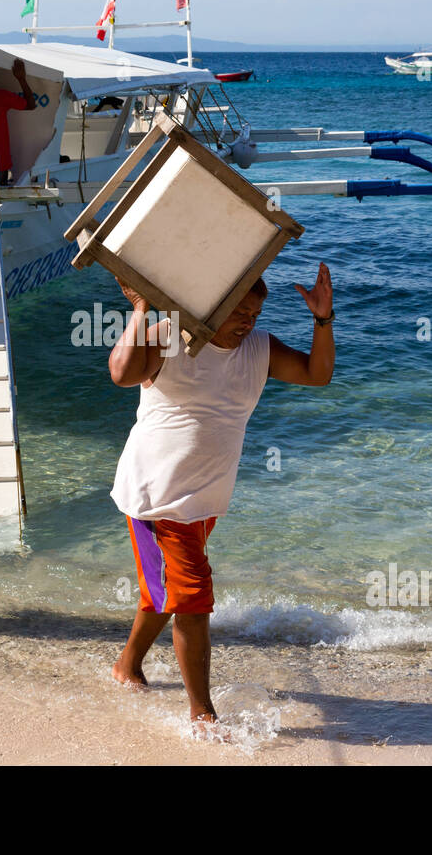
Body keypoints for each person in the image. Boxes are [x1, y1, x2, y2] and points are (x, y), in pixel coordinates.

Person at [108, 263, 336, 725]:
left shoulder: (259, 348)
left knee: (167, 589)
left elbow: (317, 374)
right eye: (239, 312)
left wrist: (323, 320)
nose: (248, 321)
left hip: (205, 501)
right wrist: (141, 308)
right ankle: (203, 716)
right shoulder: (171, 335)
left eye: (255, 313)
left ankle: (127, 665)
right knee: (192, 597)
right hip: (159, 496)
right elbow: (122, 373)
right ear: (212, 305)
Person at [0, 58, 38, 185]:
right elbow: (31, 105)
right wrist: (21, 79)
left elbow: (30, 105)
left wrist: (21, 78)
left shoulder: (0, 96)